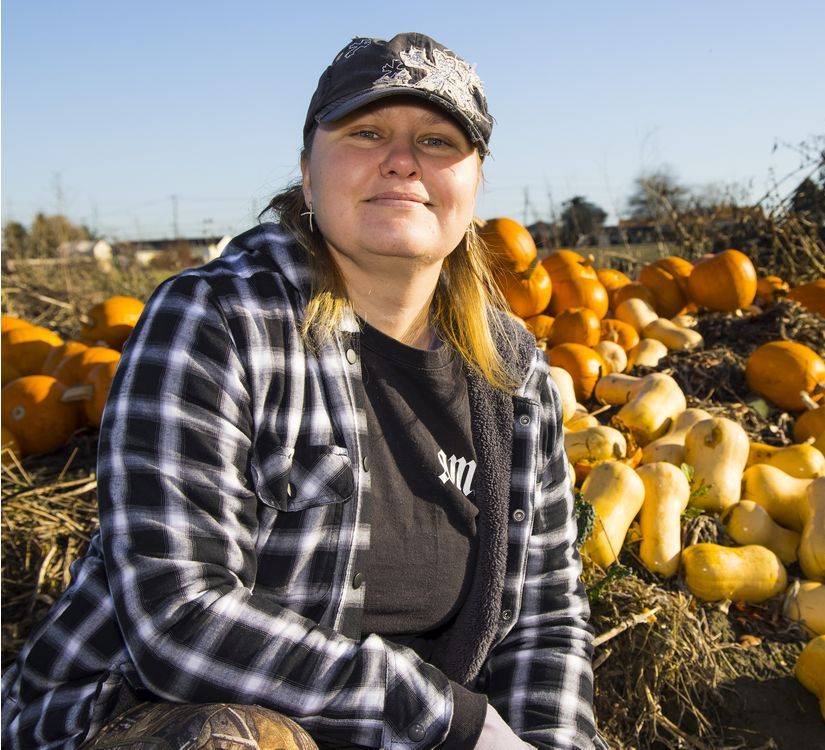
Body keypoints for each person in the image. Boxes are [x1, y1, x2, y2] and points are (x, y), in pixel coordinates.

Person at [1, 32, 605, 749]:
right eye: (367, 131)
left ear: (474, 185)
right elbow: (179, 619)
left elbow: (546, 617)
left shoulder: (515, 373)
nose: (402, 161)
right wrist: (455, 722)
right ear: (307, 172)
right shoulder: (216, 322)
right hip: (155, 717)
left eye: (438, 141)